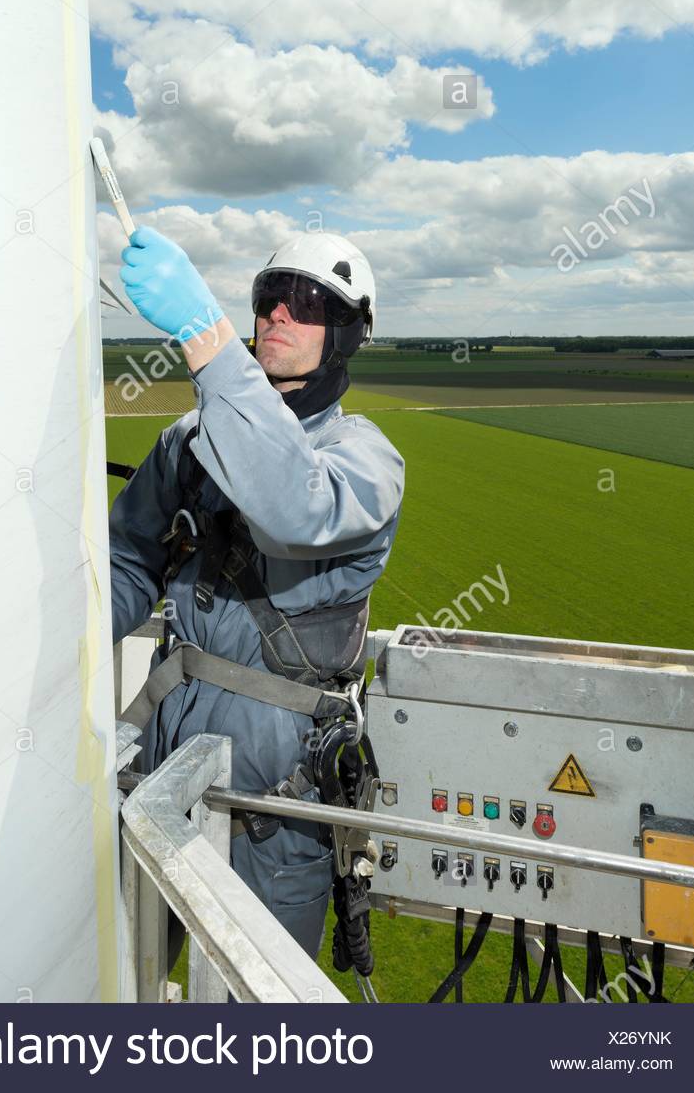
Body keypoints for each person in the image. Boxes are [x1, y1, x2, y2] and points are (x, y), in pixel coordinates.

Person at [109, 226, 405, 960]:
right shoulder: (188, 443)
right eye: (269, 297)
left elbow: (289, 507)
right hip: (161, 743)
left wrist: (205, 338)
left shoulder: (363, 460)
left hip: (274, 783)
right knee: (122, 965)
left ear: (343, 334)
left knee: (258, 998)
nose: (278, 312)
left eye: (306, 302)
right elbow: (127, 559)